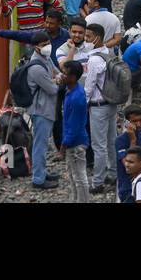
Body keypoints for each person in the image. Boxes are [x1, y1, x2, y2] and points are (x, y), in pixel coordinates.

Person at [26, 30, 61, 190]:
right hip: (40, 110)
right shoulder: (36, 67)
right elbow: (53, 88)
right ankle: (38, 179)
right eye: (43, 45)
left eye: (47, 43)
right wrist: (56, 80)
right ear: (35, 47)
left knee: (43, 144)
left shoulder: (45, 58)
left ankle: (42, 172)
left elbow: (56, 73)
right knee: (40, 145)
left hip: (46, 107)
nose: (47, 46)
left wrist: (56, 78)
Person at [60, 60, 90, 203]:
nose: (61, 76)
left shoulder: (76, 97)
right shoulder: (72, 91)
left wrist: (63, 146)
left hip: (76, 143)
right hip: (73, 141)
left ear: (72, 77)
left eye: (64, 73)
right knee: (73, 175)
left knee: (79, 178)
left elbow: (74, 126)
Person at [115, 104, 141, 201]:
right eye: (135, 121)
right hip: (128, 189)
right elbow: (128, 166)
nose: (139, 124)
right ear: (127, 123)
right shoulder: (120, 141)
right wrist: (133, 140)